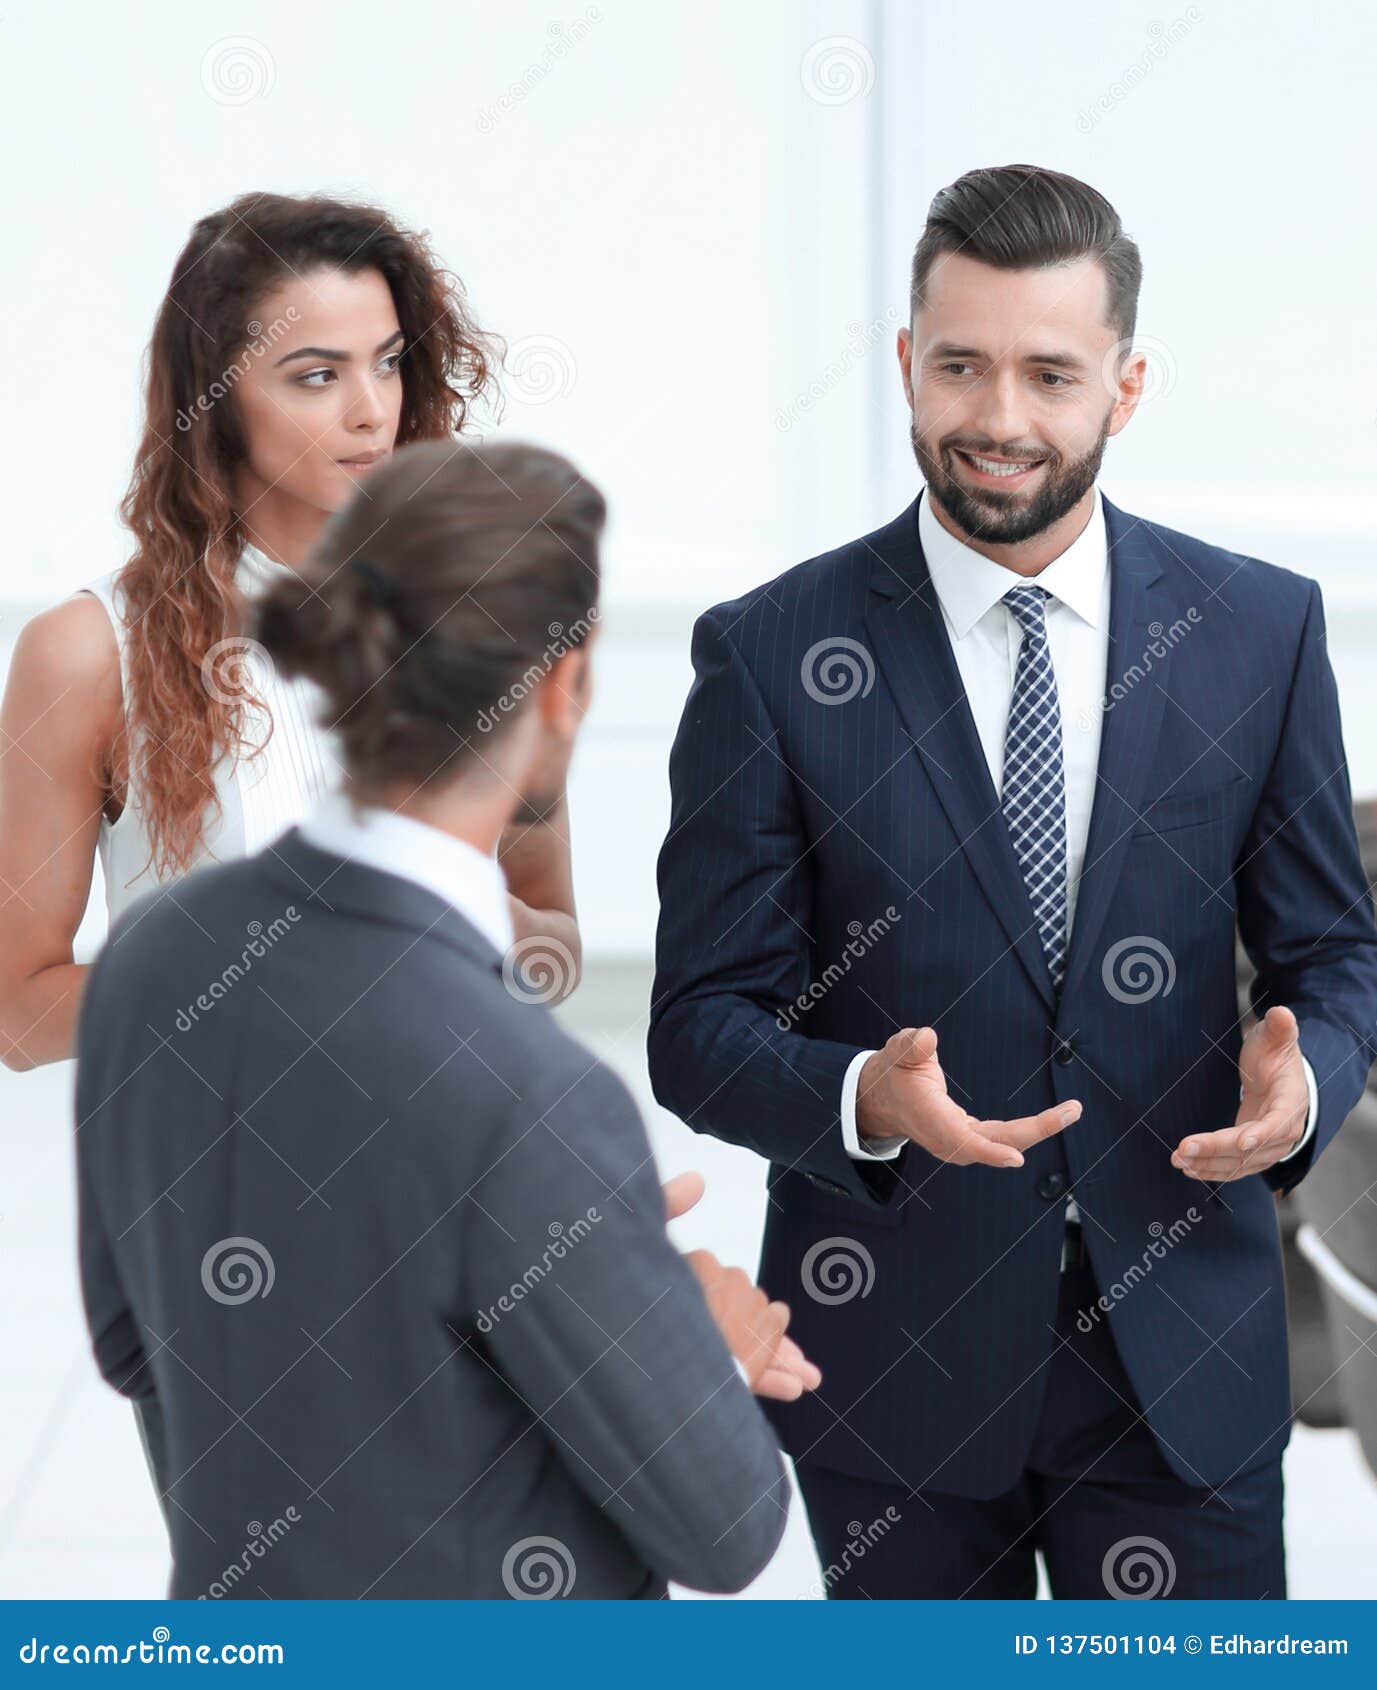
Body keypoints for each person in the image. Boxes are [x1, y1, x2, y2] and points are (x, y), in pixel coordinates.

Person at [647, 163, 1377, 1599]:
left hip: (1187, 1358)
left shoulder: (1257, 632)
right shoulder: (773, 653)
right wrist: (861, 1096)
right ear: (906, 365)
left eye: (1050, 373)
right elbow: (699, 1025)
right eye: (962, 365)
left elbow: (1334, 961)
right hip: (892, 1374)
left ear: (1126, 383)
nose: (997, 418)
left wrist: (1306, 1087)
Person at [75, 439, 811, 1599]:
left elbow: (138, 1344)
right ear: (562, 684)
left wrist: (575, 1257)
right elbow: (726, 1531)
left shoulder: (151, 961)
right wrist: (683, 1331)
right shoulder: (535, 1094)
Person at [0, 189, 578, 1085]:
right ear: (218, 398)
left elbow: (558, 945)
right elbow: (16, 1015)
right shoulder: (89, 649)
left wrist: (470, 917)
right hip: (210, 1187)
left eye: (387, 363)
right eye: (317, 375)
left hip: (451, 1166)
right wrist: (248, 964)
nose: (370, 411)